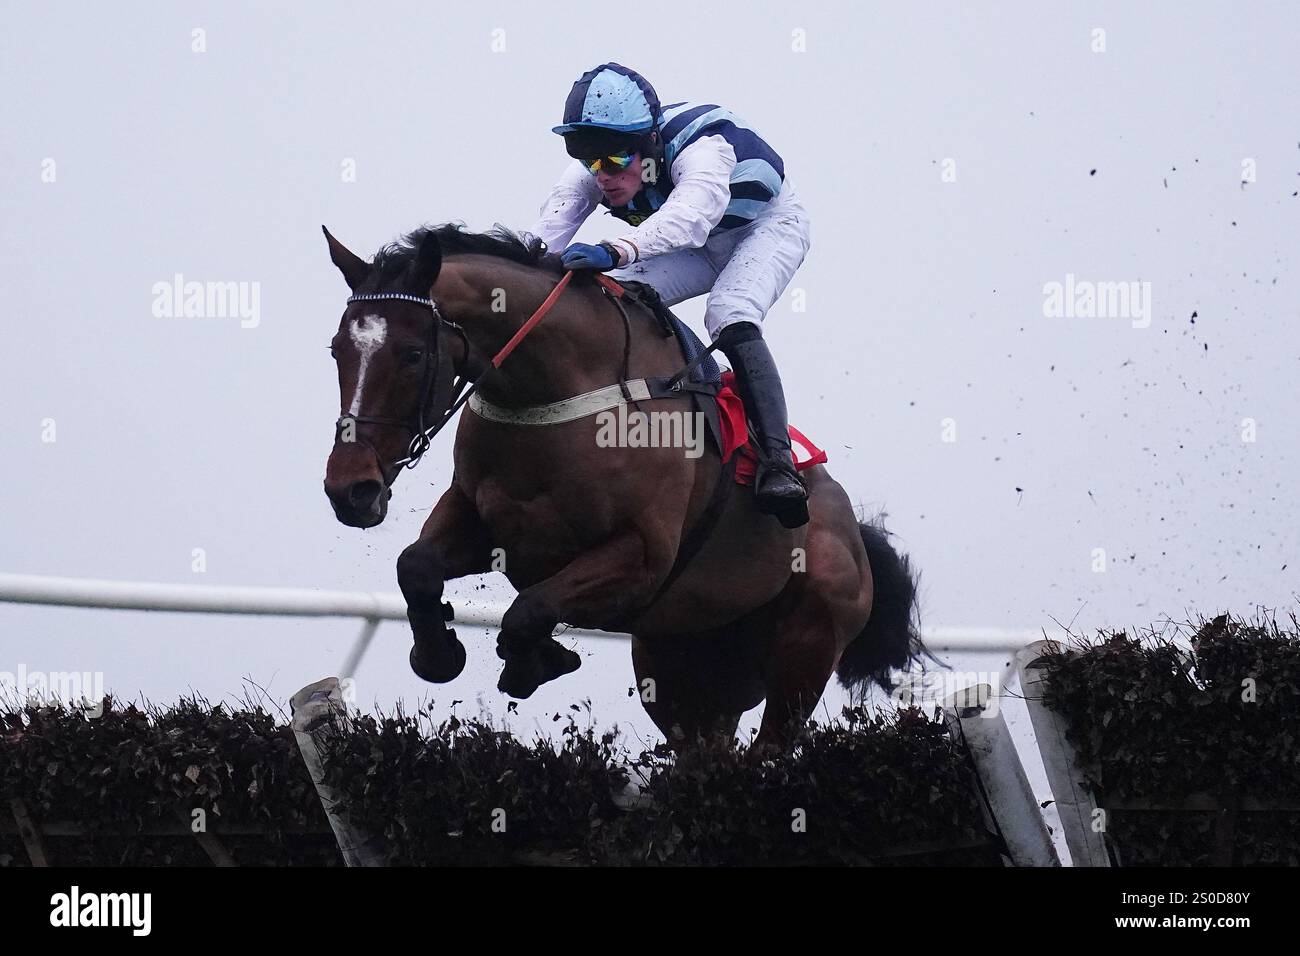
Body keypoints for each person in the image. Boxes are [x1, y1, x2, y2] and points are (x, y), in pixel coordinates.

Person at [524, 62, 812, 529]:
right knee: (612, 296)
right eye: (591, 162)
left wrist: (616, 248)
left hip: (765, 228)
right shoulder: (598, 167)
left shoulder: (703, 151)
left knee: (729, 311)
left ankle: (778, 463)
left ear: (650, 144)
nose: (603, 176)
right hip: (697, 245)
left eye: (616, 162)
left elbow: (690, 216)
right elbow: (544, 236)